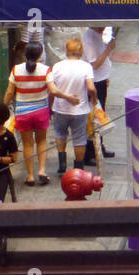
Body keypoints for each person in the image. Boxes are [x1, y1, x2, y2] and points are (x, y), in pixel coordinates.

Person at [47, 36, 99, 174]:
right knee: (79, 139)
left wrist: (50, 107)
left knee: (60, 134)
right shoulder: (86, 67)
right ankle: (78, 168)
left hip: (60, 109)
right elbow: (91, 88)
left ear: (66, 51)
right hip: (80, 110)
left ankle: (62, 164)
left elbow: (52, 91)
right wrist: (94, 98)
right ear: (81, 52)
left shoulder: (57, 66)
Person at [5, 40, 52, 186]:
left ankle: (30, 175)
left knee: (27, 144)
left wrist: (2, 108)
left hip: (22, 112)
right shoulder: (46, 70)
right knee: (42, 141)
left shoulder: (16, 70)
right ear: (40, 55)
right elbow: (51, 91)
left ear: (25, 54)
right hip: (41, 111)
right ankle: (42, 171)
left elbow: (9, 92)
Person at [82, 25, 116, 162]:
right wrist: (109, 49)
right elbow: (94, 64)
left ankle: (99, 146)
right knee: (93, 116)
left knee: (100, 115)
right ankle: (89, 152)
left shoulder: (98, 35)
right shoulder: (89, 38)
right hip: (94, 83)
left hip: (101, 80)